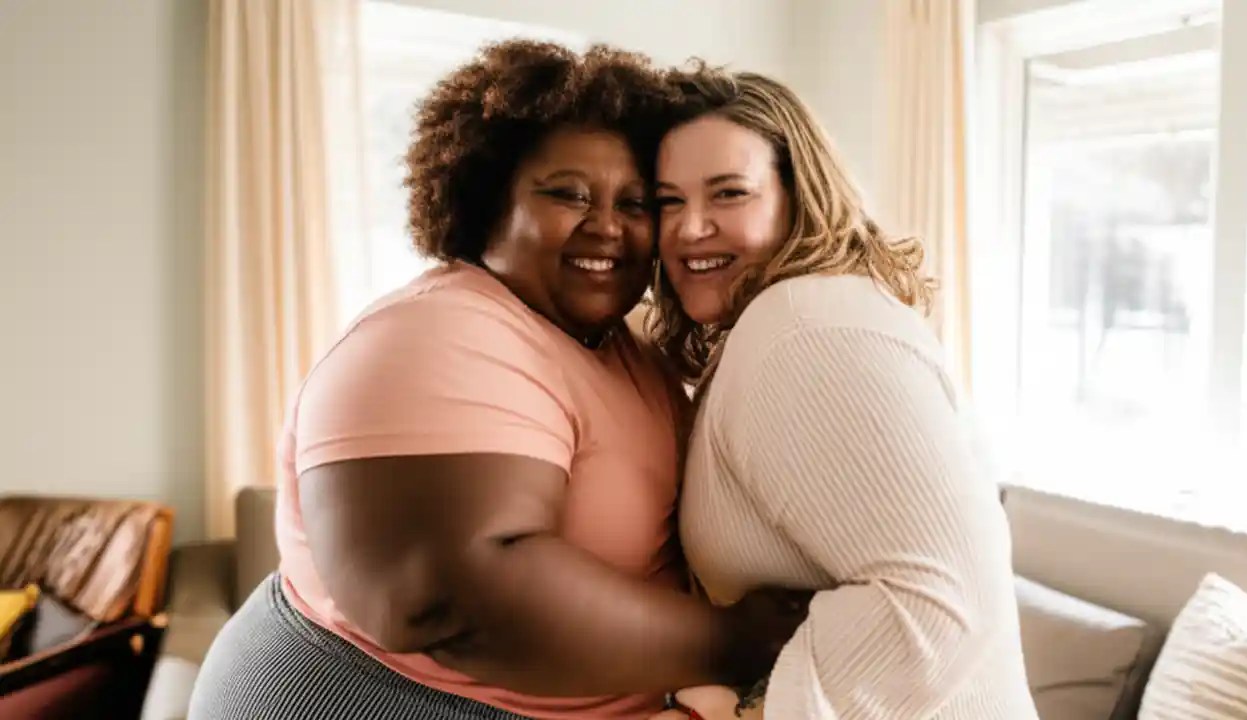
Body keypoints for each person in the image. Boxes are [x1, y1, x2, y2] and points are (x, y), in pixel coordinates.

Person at [189, 42, 805, 720]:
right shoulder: (435, 335)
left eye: (634, 204)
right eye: (568, 194)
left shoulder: (624, 349)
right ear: (488, 204)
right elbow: (453, 598)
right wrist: (741, 641)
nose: (606, 226)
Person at [645, 66, 1040, 719]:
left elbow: (940, 603)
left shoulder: (804, 327)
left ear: (799, 198)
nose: (690, 229)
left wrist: (735, 715)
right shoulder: (787, 319)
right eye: (668, 201)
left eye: (729, 194)